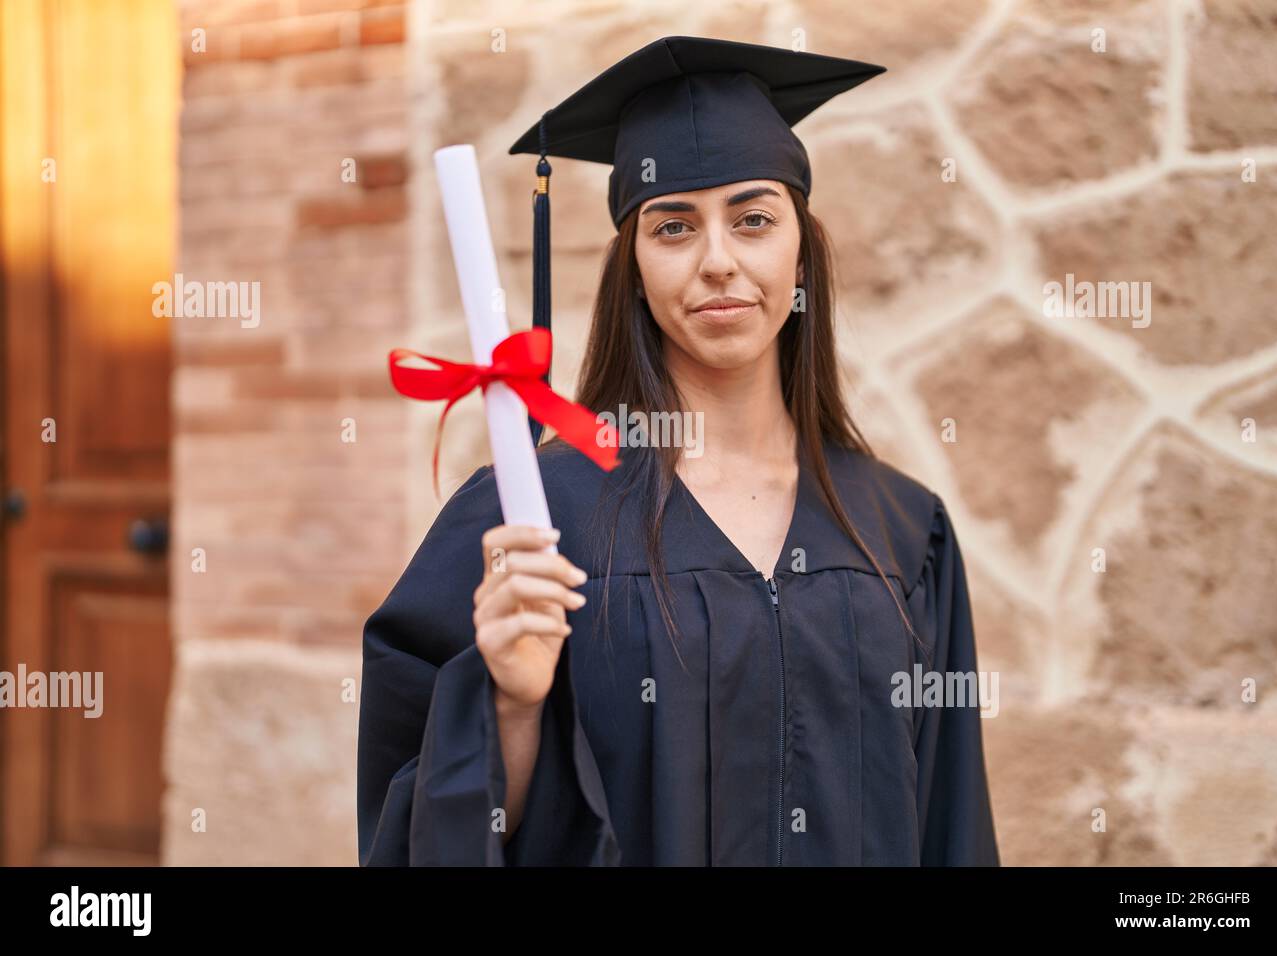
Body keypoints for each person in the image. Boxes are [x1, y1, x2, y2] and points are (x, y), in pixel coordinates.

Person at [357, 35, 999, 866]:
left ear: (802, 249)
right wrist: (510, 706)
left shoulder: (907, 530)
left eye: (754, 219)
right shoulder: (532, 516)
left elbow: (950, 821)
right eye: (673, 228)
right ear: (633, 269)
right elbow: (428, 838)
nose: (719, 262)